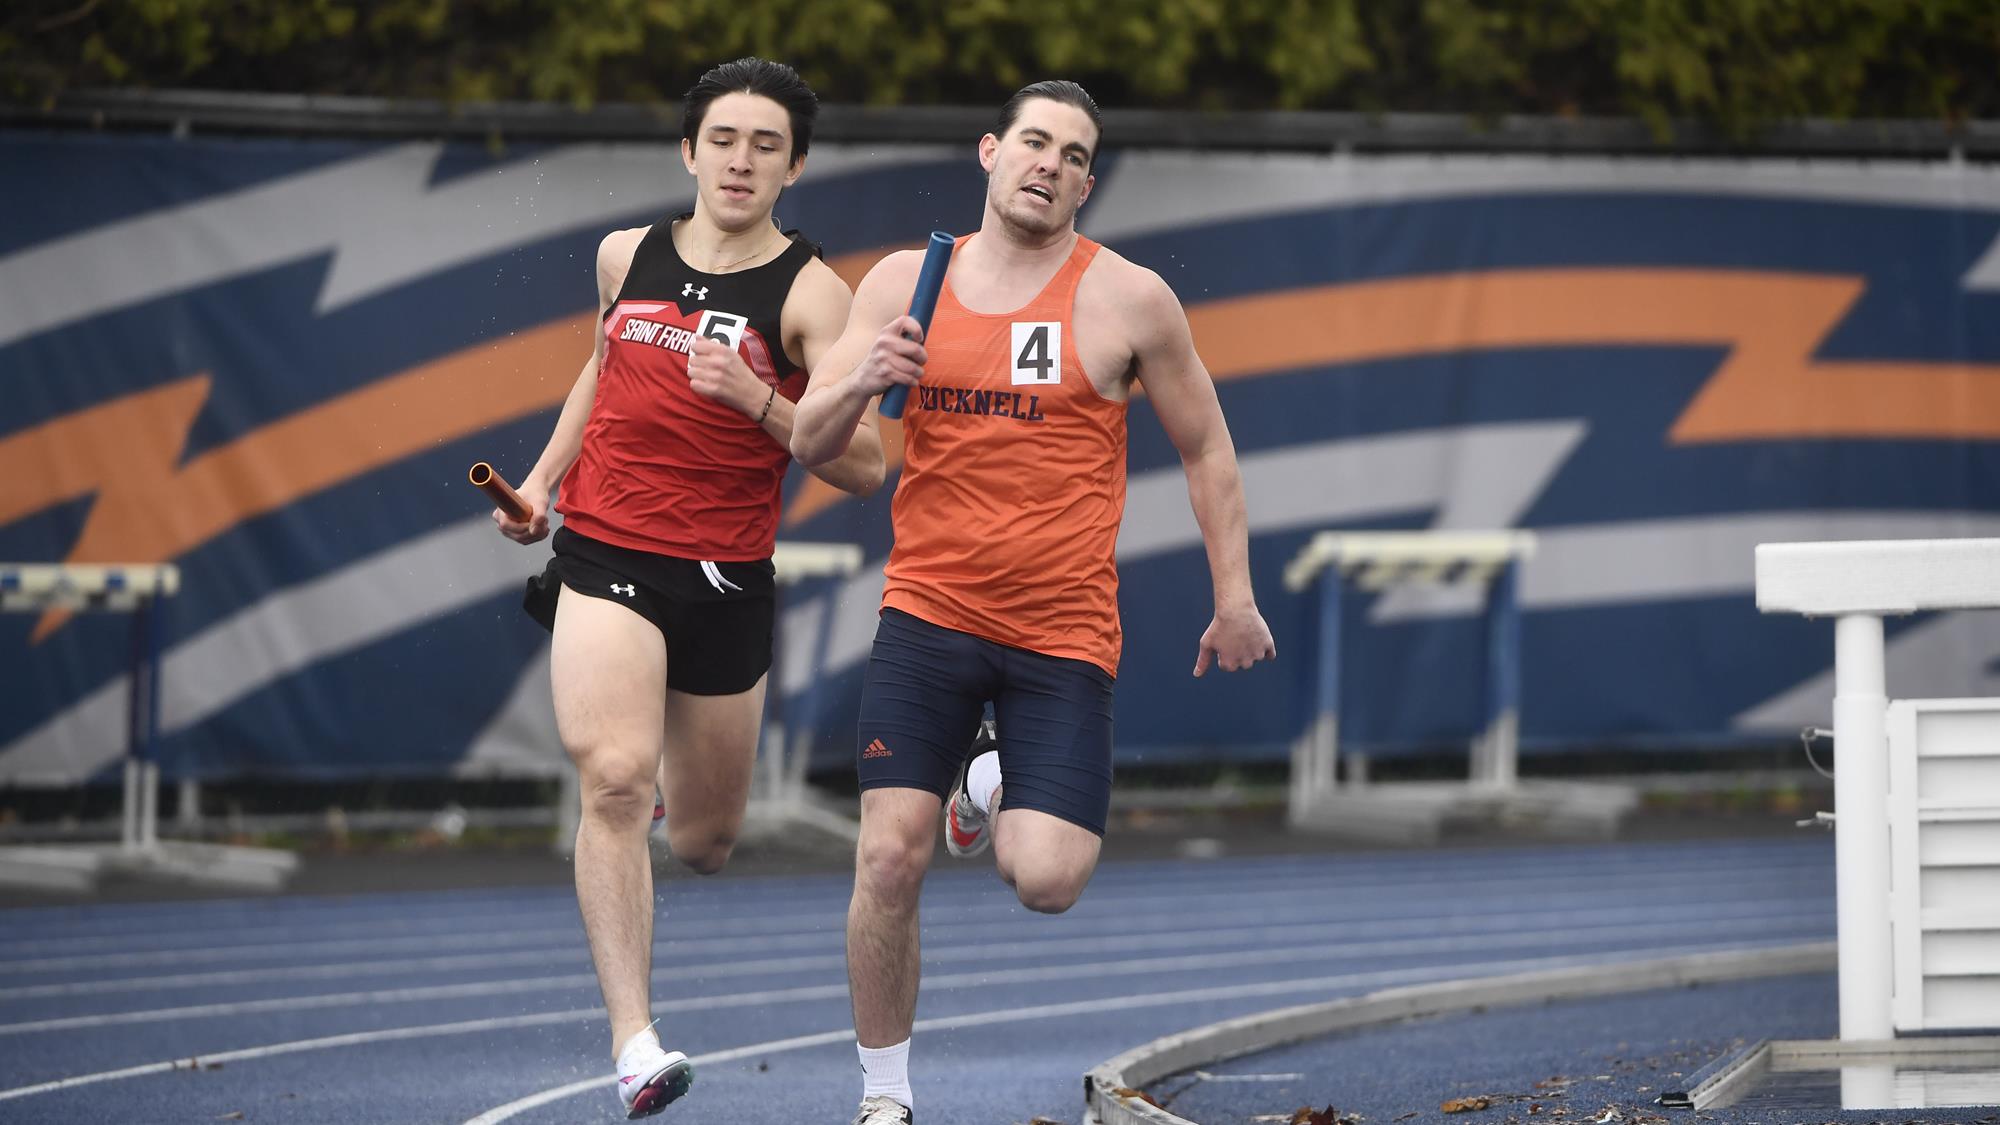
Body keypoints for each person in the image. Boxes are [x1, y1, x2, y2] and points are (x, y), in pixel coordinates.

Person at [791, 79, 1277, 1125]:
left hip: (1060, 633)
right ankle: (883, 1098)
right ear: (988, 153)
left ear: (1086, 184)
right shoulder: (903, 285)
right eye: (1033, 143)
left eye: (1070, 154)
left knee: (1047, 879)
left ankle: (985, 788)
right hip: (926, 612)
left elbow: (1206, 446)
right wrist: (861, 375)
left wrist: (1231, 596)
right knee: (886, 854)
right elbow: (809, 441)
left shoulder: (1128, 299)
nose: (1047, 164)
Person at [491, 57, 882, 1120]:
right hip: (606, 552)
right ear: (688, 151)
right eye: (723, 139)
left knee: (704, 843)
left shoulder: (810, 294)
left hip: (723, 579)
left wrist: (758, 396)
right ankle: (634, 1044)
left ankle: (664, 777)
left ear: (792, 167)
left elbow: (865, 463)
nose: (741, 160)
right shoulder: (627, 255)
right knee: (612, 781)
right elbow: (601, 367)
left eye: (765, 144)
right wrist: (539, 485)